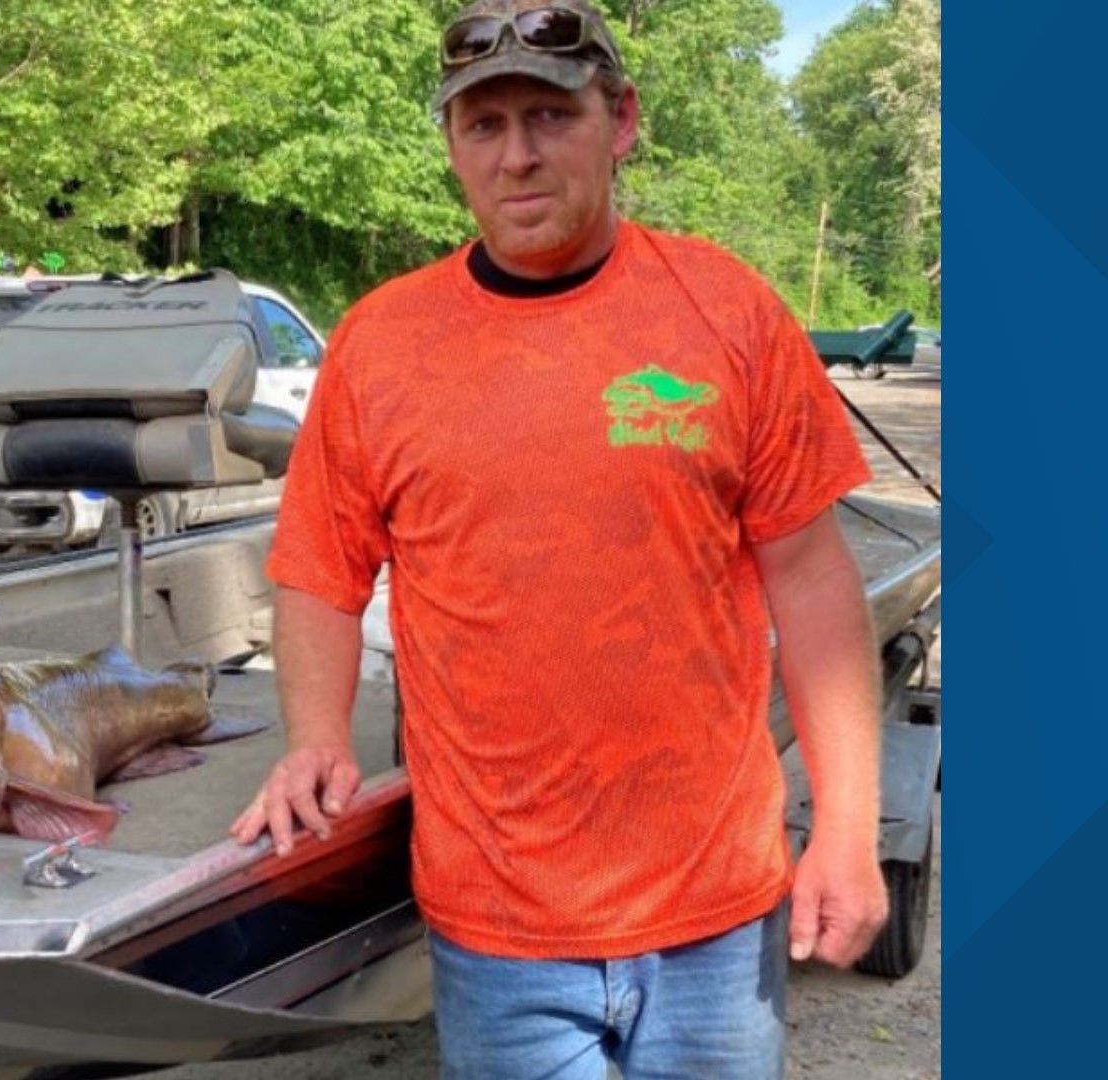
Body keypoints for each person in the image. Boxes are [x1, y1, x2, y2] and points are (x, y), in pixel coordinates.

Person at [229, 2, 889, 1076]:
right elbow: (318, 571)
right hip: (498, 931)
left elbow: (813, 585)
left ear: (621, 120)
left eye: (551, 114)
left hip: (717, 917)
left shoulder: (726, 312)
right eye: (483, 127)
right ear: (450, 145)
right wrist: (315, 737)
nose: (519, 155)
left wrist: (850, 831)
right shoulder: (380, 344)